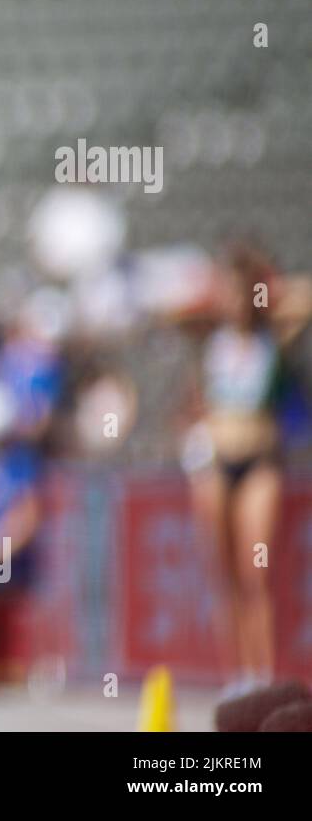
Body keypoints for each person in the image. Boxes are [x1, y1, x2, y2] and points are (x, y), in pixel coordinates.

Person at [186, 245, 312, 699]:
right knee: (225, 575)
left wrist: (269, 288)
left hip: (260, 461)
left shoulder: (272, 337)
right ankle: (235, 676)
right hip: (216, 463)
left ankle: (263, 671)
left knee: (256, 570)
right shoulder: (207, 338)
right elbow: (163, 309)